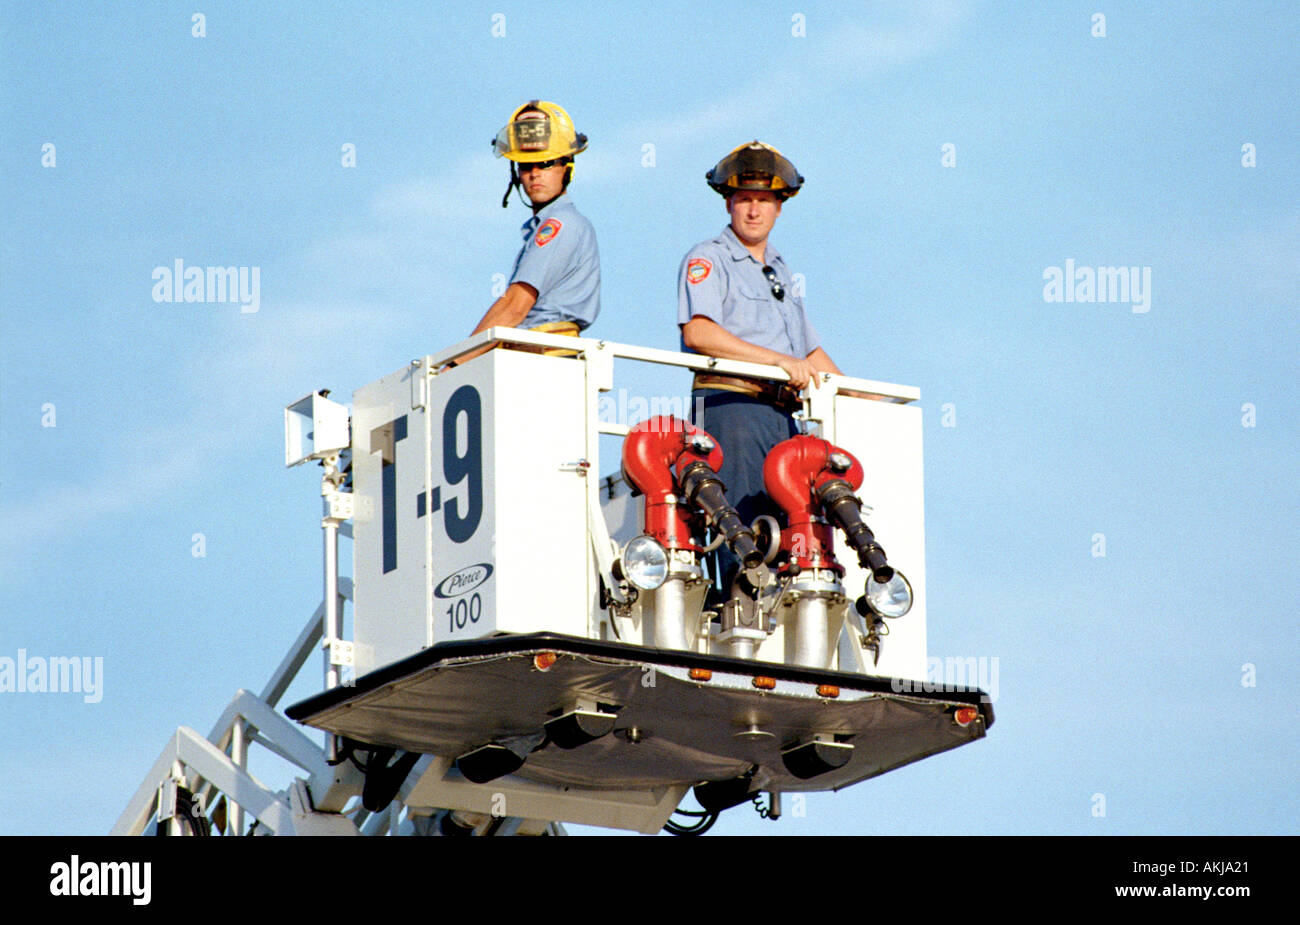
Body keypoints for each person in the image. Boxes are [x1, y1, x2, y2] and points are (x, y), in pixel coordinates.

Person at [677, 141, 843, 587]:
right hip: (734, 408)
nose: (754, 210)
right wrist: (778, 362)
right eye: (745, 199)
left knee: (786, 531)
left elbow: (808, 354)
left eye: (764, 201)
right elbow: (698, 333)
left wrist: (861, 396)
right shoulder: (708, 258)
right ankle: (737, 619)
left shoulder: (780, 271)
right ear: (728, 202)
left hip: (781, 416)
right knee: (743, 532)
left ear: (779, 208)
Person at [458, 100, 599, 363]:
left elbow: (514, 307)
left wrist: (455, 364)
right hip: (531, 356)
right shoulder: (546, 227)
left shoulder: (560, 225)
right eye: (525, 165)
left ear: (566, 166)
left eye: (545, 163)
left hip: (544, 357)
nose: (535, 174)